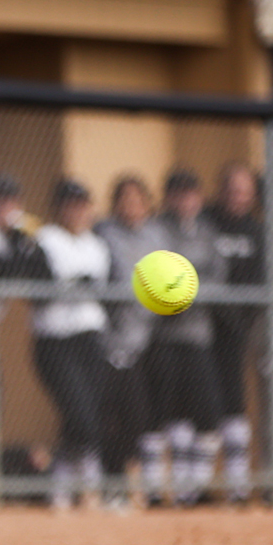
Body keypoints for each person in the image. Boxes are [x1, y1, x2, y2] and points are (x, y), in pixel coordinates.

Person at [21, 179, 114, 510]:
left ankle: (71, 485)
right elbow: (35, 293)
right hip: (55, 340)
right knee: (78, 412)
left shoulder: (97, 245)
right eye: (70, 204)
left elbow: (109, 293)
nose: (77, 211)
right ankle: (72, 482)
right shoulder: (45, 239)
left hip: (89, 337)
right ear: (58, 207)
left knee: (88, 414)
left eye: (83, 204)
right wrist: (72, 285)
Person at [145, 170, 224, 505]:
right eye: (178, 193)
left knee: (207, 412)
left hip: (198, 335)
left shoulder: (207, 231)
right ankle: (177, 488)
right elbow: (155, 274)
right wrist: (177, 291)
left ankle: (196, 486)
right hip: (163, 335)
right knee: (170, 413)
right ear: (168, 197)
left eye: (191, 193)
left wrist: (186, 291)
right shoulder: (157, 230)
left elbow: (218, 279)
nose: (185, 200)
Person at [95, 174, 167, 505]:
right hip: (110, 342)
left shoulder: (157, 235)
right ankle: (113, 484)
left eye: (137, 199)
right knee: (111, 417)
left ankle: (143, 486)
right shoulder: (103, 233)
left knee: (143, 419)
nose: (131, 206)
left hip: (151, 339)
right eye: (124, 199)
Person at [204, 161, 261, 502]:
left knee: (234, 401)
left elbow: (260, 278)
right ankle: (197, 486)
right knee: (204, 404)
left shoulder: (257, 231)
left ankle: (237, 485)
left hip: (237, 328)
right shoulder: (206, 223)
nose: (237, 197)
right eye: (231, 189)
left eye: (243, 191)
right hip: (202, 326)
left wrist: (242, 320)